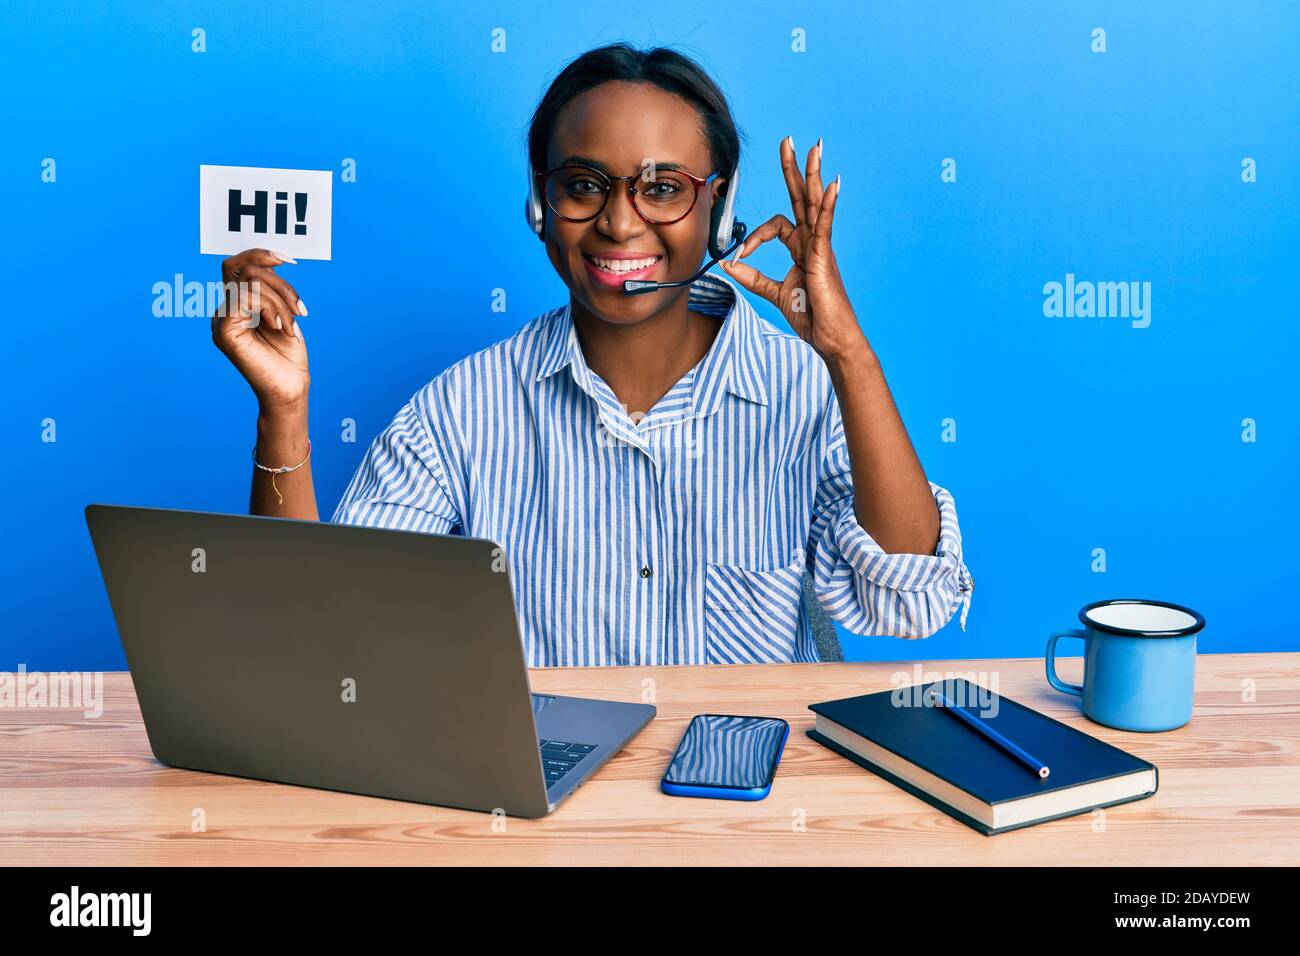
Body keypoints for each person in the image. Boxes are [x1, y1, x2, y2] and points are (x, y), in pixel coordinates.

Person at [210, 42, 973, 667]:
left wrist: (849, 357)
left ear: (719, 209)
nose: (619, 222)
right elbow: (313, 641)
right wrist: (283, 410)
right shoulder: (461, 411)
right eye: (583, 185)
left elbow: (908, 602)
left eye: (662, 188)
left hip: (756, 819)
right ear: (540, 208)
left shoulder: (804, 391)